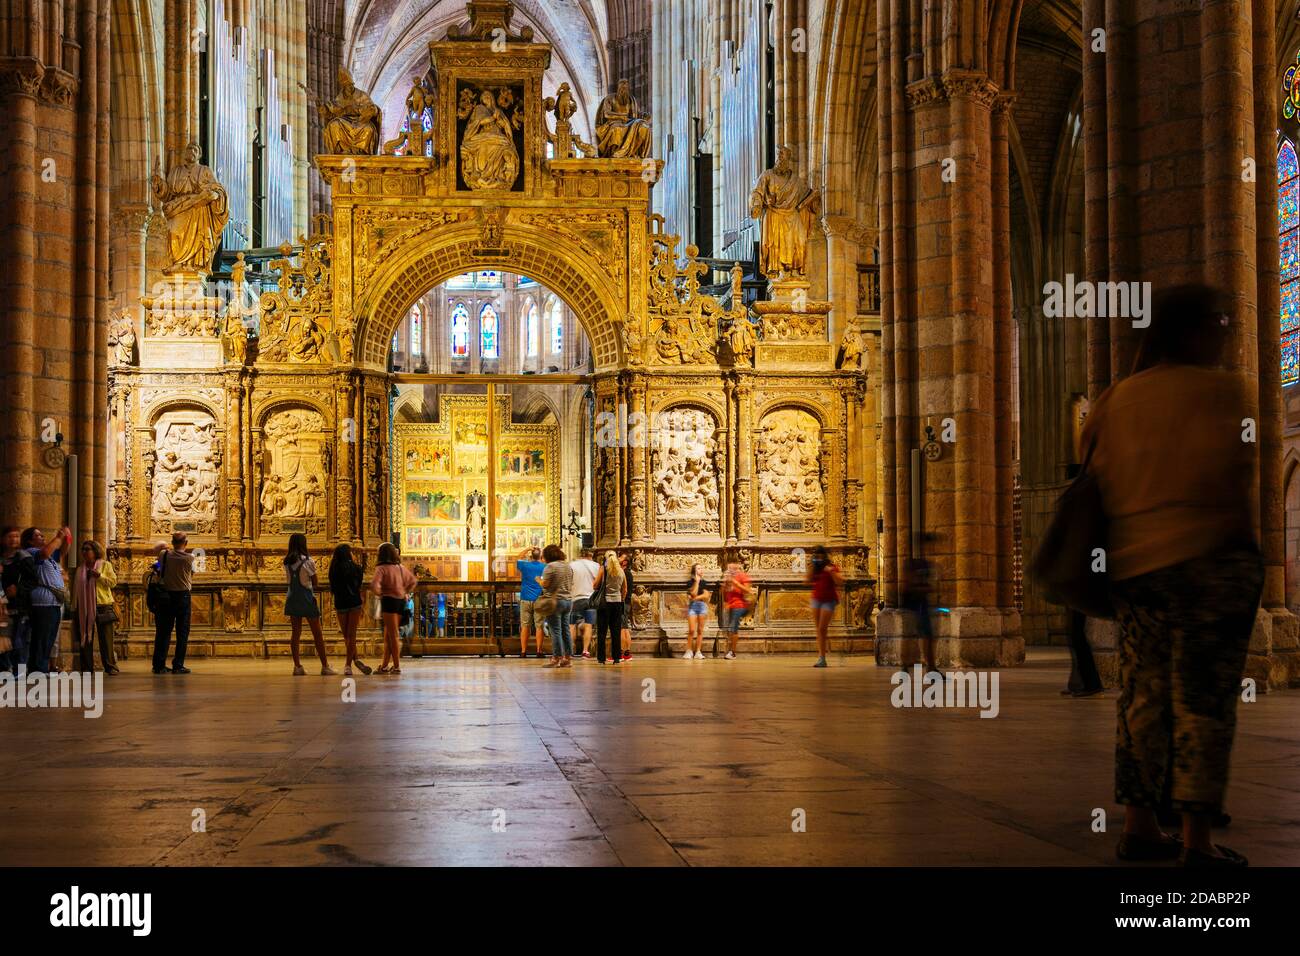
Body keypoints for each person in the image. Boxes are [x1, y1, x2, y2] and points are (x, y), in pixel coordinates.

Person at [1082, 284, 1260, 868]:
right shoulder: (1219, 391)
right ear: (1193, 332)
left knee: (1141, 699)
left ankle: (1137, 829)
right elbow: (1233, 483)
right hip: (1208, 568)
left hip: (1138, 571)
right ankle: (1197, 842)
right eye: (1217, 324)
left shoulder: (1117, 398)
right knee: (1202, 705)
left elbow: (1092, 470)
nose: (1222, 333)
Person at [23, 526, 72, 674]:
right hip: (42, 603)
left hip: (53, 603)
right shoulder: (31, 552)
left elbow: (63, 551)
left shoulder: (49, 557)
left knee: (49, 639)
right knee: (41, 638)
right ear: (30, 541)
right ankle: (37, 669)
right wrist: (59, 536)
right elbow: (45, 552)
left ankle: (41, 668)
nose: (43, 537)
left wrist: (67, 538)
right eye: (38, 535)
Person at [283, 534, 334, 676]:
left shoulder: (286, 562)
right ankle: (325, 666)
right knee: (317, 633)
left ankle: (297, 666)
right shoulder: (308, 561)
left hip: (292, 597)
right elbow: (315, 582)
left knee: (295, 633)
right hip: (306, 598)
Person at [71, 540, 119, 675]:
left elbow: (113, 582)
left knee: (106, 639)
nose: (85, 552)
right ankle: (87, 667)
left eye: (88, 549)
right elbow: (75, 590)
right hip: (84, 608)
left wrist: (100, 576)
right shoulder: (80, 569)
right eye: (83, 549)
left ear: (95, 551)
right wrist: (74, 607)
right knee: (85, 637)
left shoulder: (105, 565)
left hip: (102, 605)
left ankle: (110, 666)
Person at [152, 532, 195, 674]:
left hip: (166, 596)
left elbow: (157, 563)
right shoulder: (190, 558)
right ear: (186, 543)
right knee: (182, 632)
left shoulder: (164, 555)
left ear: (172, 542)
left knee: (163, 632)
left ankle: (159, 665)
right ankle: (178, 664)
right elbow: (192, 573)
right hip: (183, 596)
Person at [371, 543, 416, 675]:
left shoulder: (382, 568)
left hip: (389, 602)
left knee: (393, 635)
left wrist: (380, 593)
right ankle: (384, 665)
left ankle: (396, 666)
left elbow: (374, 585)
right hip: (400, 602)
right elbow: (413, 581)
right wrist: (404, 591)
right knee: (388, 636)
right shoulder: (400, 567)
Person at [329, 544, 371, 676]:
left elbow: (333, 587)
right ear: (348, 554)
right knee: (352, 635)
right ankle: (349, 664)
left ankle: (355, 660)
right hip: (354, 602)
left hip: (340, 603)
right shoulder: (356, 568)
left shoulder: (334, 569)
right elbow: (358, 584)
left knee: (346, 635)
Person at [807, 547, 843, 668]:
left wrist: (831, 571)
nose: (819, 558)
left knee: (822, 628)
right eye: (817, 556)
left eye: (821, 556)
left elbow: (840, 581)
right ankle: (822, 657)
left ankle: (822, 658)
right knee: (819, 629)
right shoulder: (816, 569)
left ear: (825, 556)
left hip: (829, 600)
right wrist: (812, 567)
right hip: (816, 600)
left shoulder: (832, 567)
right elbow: (807, 581)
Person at [539, 545, 574, 668]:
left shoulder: (550, 567)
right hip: (568, 601)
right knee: (566, 630)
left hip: (555, 602)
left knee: (555, 630)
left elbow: (546, 584)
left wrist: (538, 580)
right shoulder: (568, 566)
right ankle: (567, 658)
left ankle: (556, 658)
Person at [1, 526, 28, 674]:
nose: (13, 540)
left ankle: (19, 670)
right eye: (10, 536)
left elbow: (32, 580)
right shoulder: (2, 559)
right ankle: (5, 668)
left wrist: (18, 590)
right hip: (3, 605)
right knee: (4, 639)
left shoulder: (23, 558)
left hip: (18, 604)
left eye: (16, 536)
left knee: (17, 639)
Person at [593, 551, 627, 664]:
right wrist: (620, 598)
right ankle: (616, 657)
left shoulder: (603, 569)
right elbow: (625, 589)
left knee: (602, 632)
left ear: (605, 558)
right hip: (617, 603)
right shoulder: (621, 571)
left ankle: (601, 658)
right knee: (616, 631)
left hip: (604, 603)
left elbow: (595, 585)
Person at [568, 548, 600, 659]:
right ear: (591, 555)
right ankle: (585, 651)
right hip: (590, 599)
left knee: (571, 625)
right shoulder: (596, 566)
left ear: (581, 555)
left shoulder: (572, 565)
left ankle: (571, 649)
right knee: (588, 625)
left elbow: (568, 582)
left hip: (575, 599)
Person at [515, 546, 546, 658]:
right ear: (540, 556)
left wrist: (528, 548)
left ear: (531, 556)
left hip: (525, 598)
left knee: (525, 626)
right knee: (539, 626)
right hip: (539, 599)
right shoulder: (544, 566)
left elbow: (518, 557)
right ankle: (539, 650)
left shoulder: (525, 565)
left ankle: (523, 651)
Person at [719, 560, 754, 660]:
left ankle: (732, 652)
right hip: (731, 606)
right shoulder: (729, 578)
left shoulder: (742, 576)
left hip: (740, 605)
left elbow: (747, 590)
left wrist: (736, 583)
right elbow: (723, 592)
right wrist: (725, 584)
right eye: (729, 568)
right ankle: (730, 651)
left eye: (732, 567)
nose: (731, 569)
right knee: (731, 630)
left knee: (733, 629)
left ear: (737, 567)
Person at [683, 563, 712, 659]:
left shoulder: (705, 582)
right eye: (699, 568)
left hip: (702, 606)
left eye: (701, 568)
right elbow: (693, 592)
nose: (701, 570)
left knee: (700, 630)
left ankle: (698, 651)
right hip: (693, 607)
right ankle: (689, 651)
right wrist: (697, 582)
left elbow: (706, 596)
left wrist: (695, 598)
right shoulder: (690, 582)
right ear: (694, 571)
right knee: (691, 630)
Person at [619, 552, 635, 661]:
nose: (618, 558)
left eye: (620, 557)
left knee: (621, 627)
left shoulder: (624, 573)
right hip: (626, 602)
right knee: (624, 627)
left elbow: (623, 589)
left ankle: (620, 653)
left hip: (623, 602)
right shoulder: (628, 572)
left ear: (624, 562)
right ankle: (627, 653)